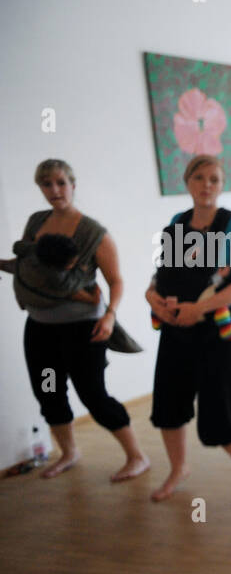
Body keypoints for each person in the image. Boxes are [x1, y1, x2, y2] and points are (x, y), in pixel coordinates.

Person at [0, 159, 149, 481]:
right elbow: (29, 265)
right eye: (46, 184)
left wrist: (110, 316)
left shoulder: (93, 233)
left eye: (60, 183)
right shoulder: (36, 222)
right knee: (49, 391)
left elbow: (116, 281)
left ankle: (137, 456)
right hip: (40, 328)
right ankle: (69, 452)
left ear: (72, 184)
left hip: (84, 329)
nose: (54, 190)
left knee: (93, 394)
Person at [145, 154, 231, 510]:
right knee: (168, 407)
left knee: (220, 416)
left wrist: (197, 309)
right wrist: (151, 296)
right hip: (175, 332)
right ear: (187, 183)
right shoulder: (176, 224)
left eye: (214, 179)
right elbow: (163, 275)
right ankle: (178, 469)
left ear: (221, 185)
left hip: (218, 336)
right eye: (199, 178)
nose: (206, 185)